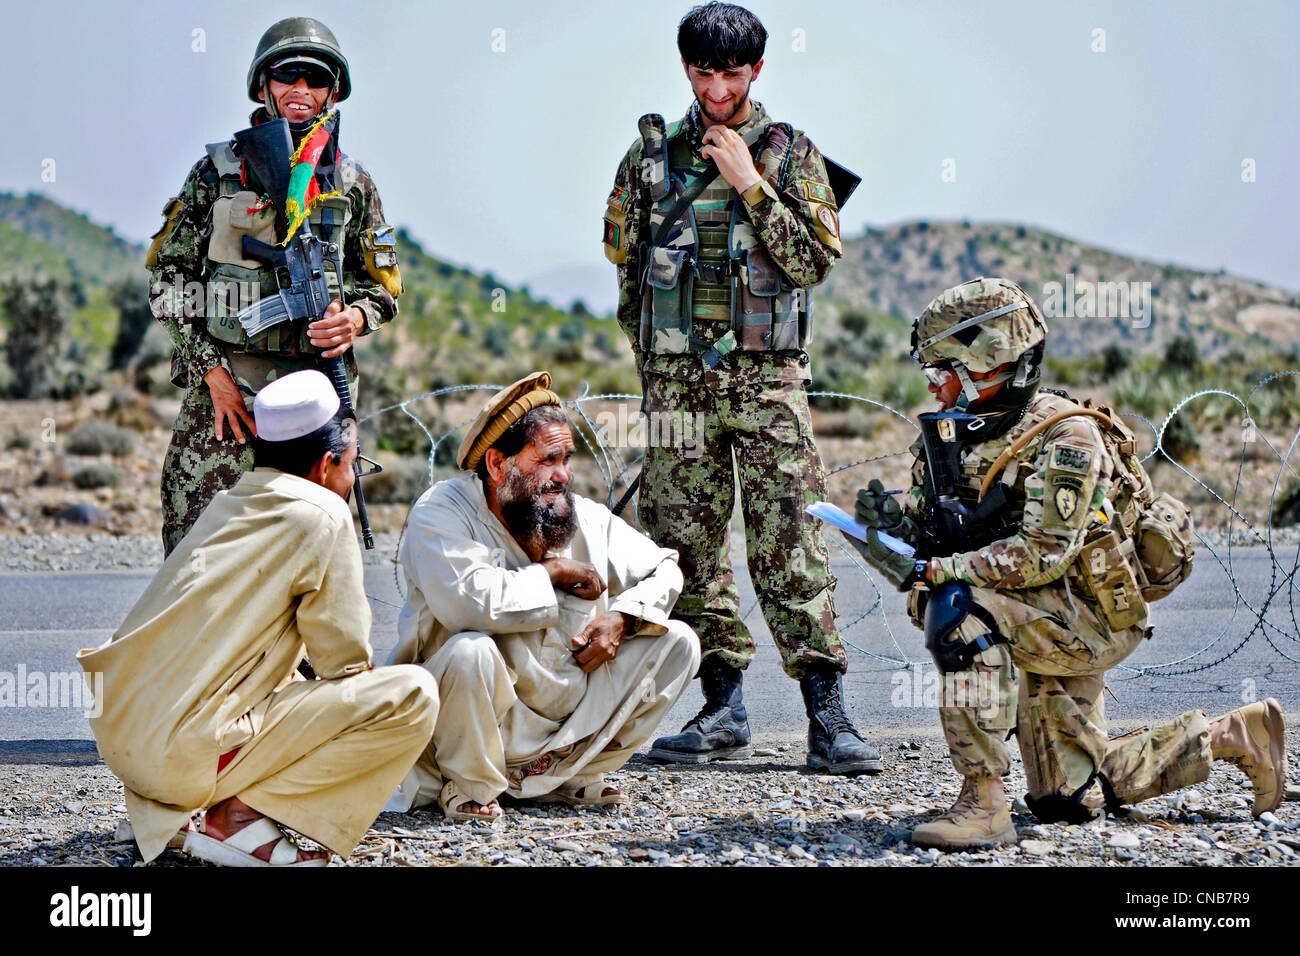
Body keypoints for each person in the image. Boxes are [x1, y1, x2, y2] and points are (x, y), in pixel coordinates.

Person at [849, 276, 1287, 850]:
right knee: (1067, 801)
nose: (936, 391)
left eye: (944, 372)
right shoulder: (953, 439)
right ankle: (1235, 734)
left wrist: (940, 575)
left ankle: (982, 805)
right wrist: (890, 532)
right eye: (931, 375)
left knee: (959, 610)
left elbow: (1043, 555)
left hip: (1083, 619)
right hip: (1029, 616)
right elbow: (934, 547)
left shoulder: (1068, 438)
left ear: (993, 364)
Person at [602, 2, 879, 774]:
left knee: (789, 538)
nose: (716, 88)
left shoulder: (791, 155)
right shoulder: (650, 159)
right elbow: (631, 276)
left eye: (731, 73)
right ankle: (721, 709)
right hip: (677, 385)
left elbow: (815, 262)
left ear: (757, 70)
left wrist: (751, 184)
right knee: (685, 546)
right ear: (685, 68)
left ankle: (829, 719)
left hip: (767, 383)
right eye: (702, 72)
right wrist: (655, 368)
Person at [78, 370, 438, 866]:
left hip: (127, 746)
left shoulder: (230, 501)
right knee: (412, 696)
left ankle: (190, 812)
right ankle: (239, 819)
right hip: (181, 758)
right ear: (326, 463)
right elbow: (343, 662)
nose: (353, 479)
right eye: (355, 465)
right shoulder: (324, 513)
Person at [386, 372, 701, 821]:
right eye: (547, 459)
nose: (563, 476)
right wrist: (551, 572)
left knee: (678, 642)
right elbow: (468, 604)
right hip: (467, 725)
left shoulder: (579, 517)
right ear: (497, 465)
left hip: (557, 733)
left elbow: (663, 568)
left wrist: (624, 619)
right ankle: (468, 784)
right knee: (469, 651)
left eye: (567, 459)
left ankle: (567, 777)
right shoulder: (444, 512)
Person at [148, 16, 403, 555]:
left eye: (316, 80)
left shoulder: (352, 183)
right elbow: (169, 282)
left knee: (306, 557)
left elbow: (381, 286)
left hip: (316, 394)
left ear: (333, 91)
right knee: (199, 555)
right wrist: (210, 373)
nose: (301, 91)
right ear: (264, 85)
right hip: (227, 397)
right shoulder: (216, 174)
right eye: (288, 76)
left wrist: (355, 318)